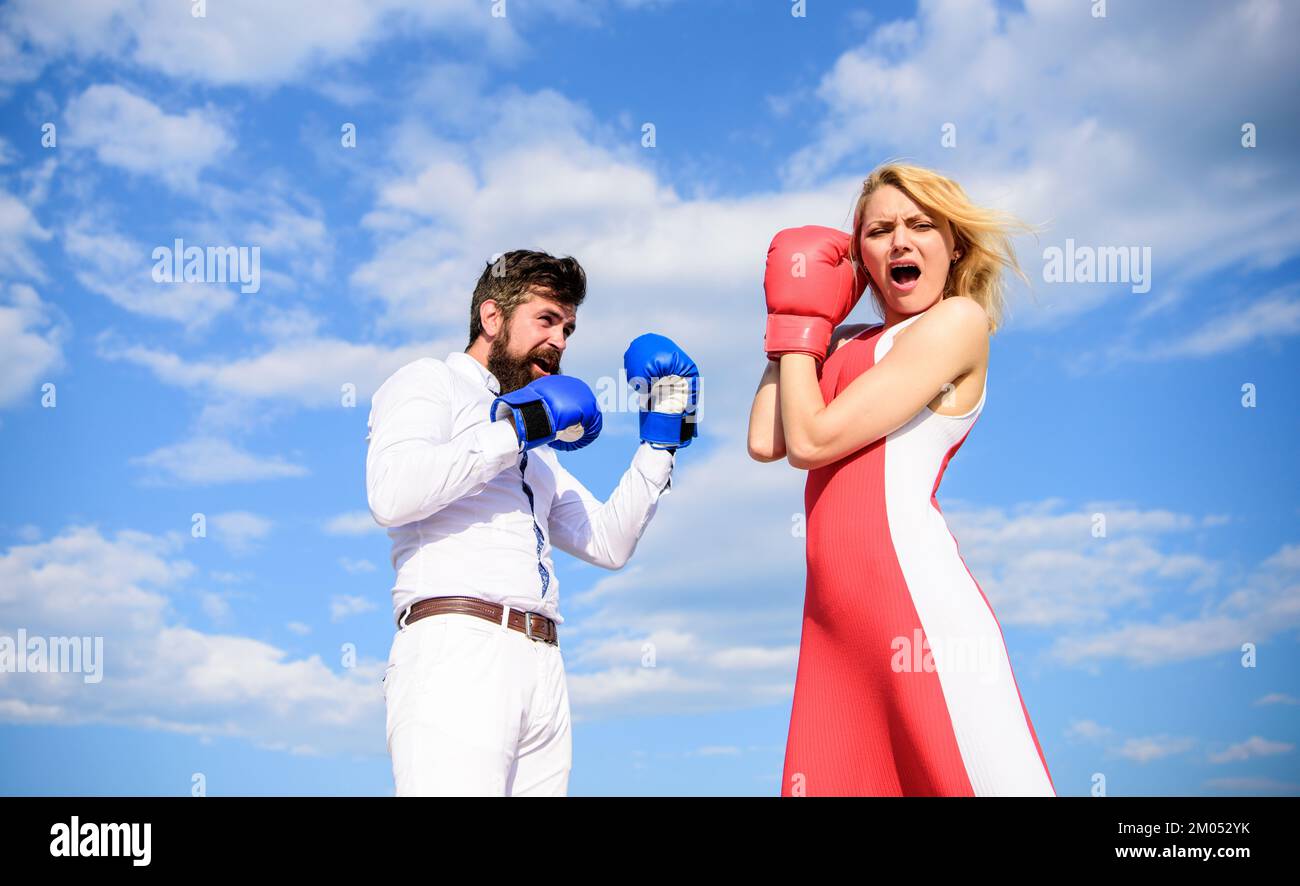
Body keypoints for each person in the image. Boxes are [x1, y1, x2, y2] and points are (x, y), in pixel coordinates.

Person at [748, 162, 1056, 796]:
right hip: (832, 629)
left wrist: (803, 333)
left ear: (954, 244)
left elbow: (811, 440)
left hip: (916, 612)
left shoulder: (956, 323)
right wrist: (795, 321)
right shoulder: (838, 343)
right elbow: (766, 439)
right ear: (860, 253)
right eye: (880, 230)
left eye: (921, 225)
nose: (902, 241)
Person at [367, 250, 699, 796]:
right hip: (458, 647)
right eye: (546, 319)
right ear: (492, 318)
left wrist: (660, 440)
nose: (561, 341)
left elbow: (608, 543)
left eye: (567, 327)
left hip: (543, 660)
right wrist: (522, 427)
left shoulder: (535, 447)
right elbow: (392, 491)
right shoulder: (430, 382)